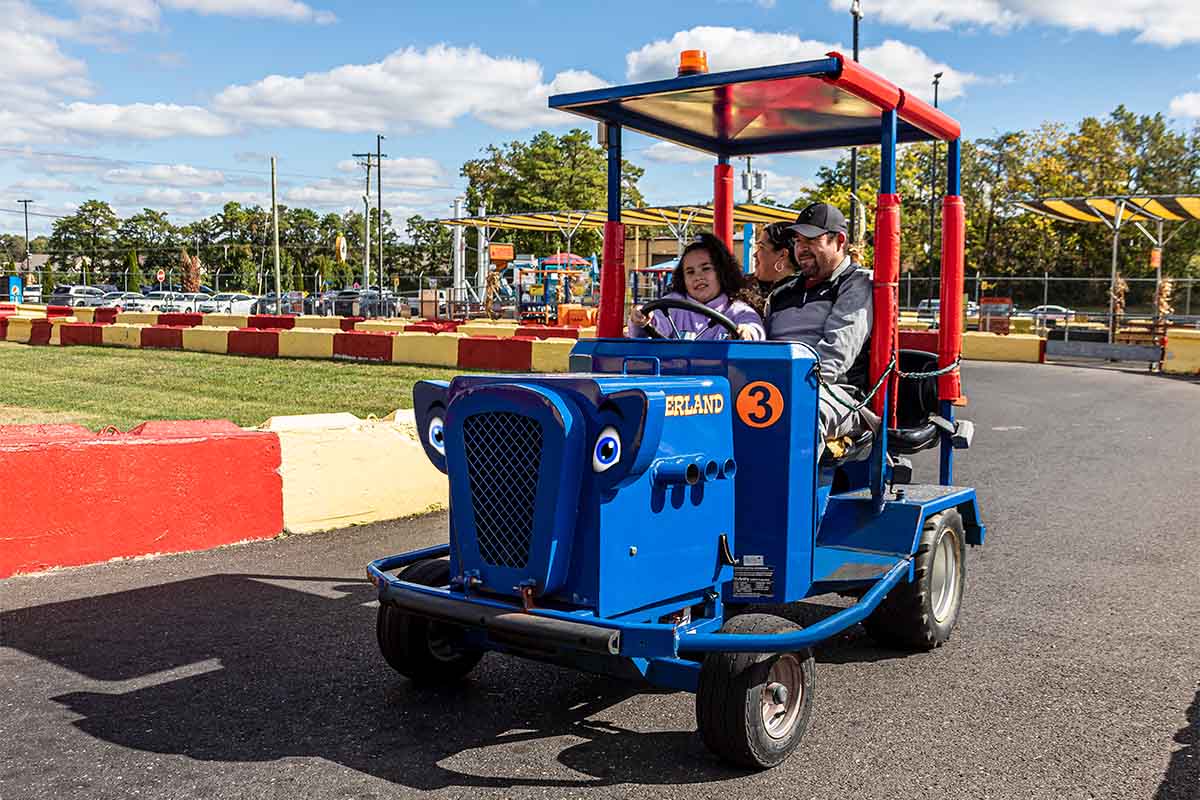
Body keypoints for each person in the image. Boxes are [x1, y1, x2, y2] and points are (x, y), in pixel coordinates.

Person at [765, 202, 877, 459]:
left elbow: (835, 357)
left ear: (839, 241)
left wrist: (786, 387)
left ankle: (794, 499)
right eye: (797, 240)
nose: (801, 248)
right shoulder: (782, 293)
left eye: (811, 240)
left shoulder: (855, 283)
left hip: (836, 393)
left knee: (800, 415)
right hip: (778, 386)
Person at [628, 233, 765, 341]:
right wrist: (642, 317)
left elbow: (754, 328)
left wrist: (747, 332)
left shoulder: (737, 310)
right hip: (676, 373)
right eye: (690, 272)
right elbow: (653, 325)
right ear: (683, 277)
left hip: (722, 373)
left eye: (706, 269)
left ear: (721, 272)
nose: (698, 277)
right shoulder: (672, 305)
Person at [751, 221, 797, 296]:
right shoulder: (747, 288)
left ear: (782, 255)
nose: (755, 255)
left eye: (761, 247)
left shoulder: (799, 299)